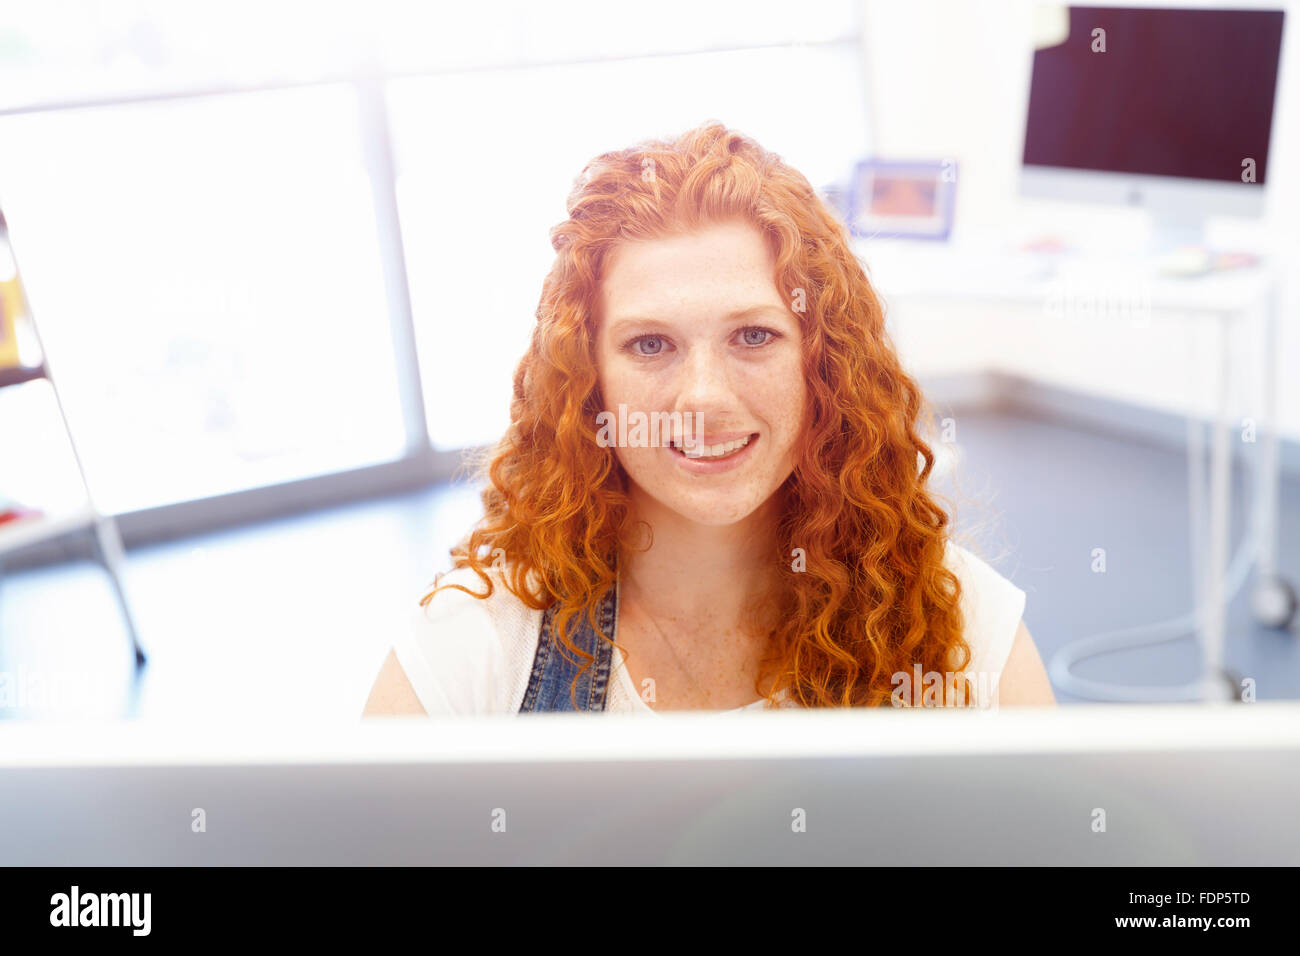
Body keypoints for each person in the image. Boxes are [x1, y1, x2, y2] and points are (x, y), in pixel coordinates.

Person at [364, 121, 1056, 717]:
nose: (704, 399)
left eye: (753, 336)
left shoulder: (963, 630)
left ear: (824, 363)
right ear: (587, 382)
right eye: (650, 345)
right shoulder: (476, 646)